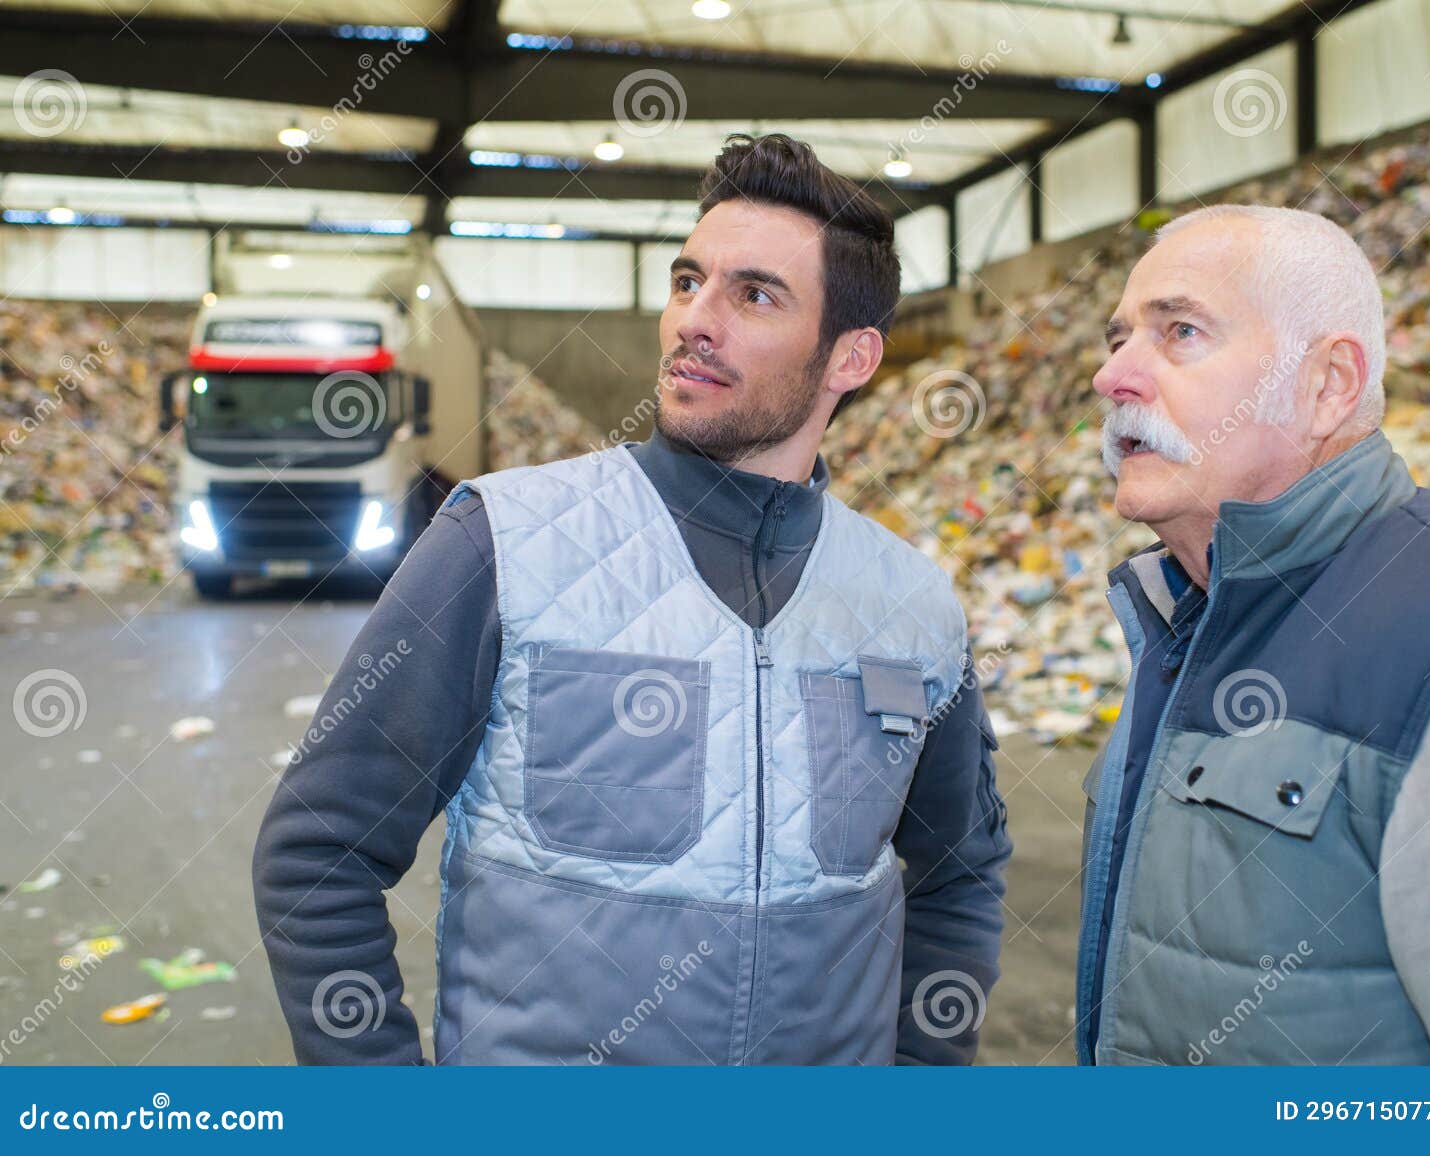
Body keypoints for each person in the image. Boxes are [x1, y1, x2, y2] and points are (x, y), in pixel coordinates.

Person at [252, 133, 1011, 1066]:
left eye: (754, 295)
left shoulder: (912, 606)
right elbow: (318, 852)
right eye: (687, 282)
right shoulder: (505, 543)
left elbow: (961, 874)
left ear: (850, 358)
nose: (697, 319)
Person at [1079, 204, 1430, 1065]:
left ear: (1327, 386)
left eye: (1180, 332)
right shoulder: (1187, 615)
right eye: (1117, 338)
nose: (1115, 376)